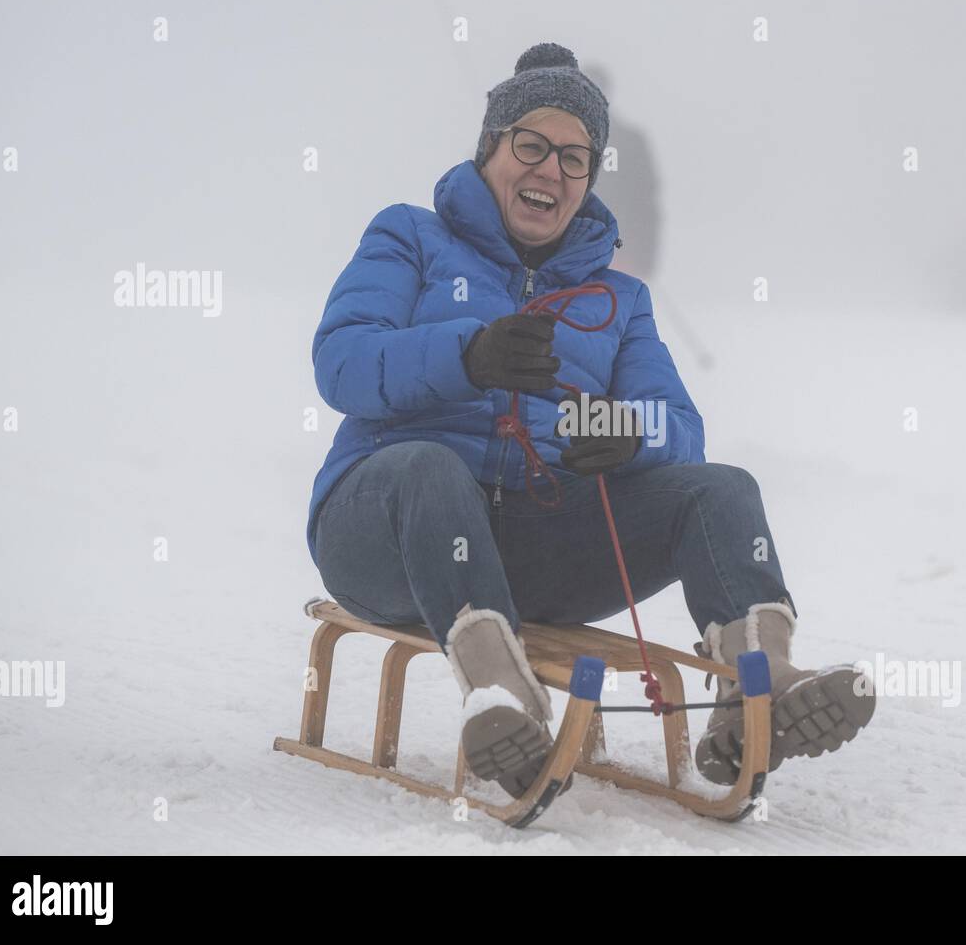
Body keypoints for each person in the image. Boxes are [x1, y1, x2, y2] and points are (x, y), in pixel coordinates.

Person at [306, 42, 873, 798]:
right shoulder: (409, 236)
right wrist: (468, 356)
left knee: (722, 487)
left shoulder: (621, 299)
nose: (551, 171)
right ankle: (501, 700)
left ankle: (757, 693)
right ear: (489, 149)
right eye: (532, 145)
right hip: (386, 534)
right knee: (430, 467)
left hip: (536, 549)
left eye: (576, 158)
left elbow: (680, 429)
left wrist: (627, 433)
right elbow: (342, 362)